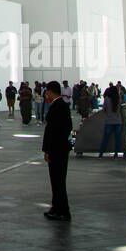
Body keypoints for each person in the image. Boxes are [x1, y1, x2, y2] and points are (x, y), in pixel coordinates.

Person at [42, 80, 72, 220]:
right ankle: (56, 207)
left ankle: (63, 210)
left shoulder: (58, 106)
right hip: (58, 148)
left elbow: (54, 131)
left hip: (57, 150)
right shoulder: (60, 105)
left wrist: (49, 149)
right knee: (56, 181)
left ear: (49, 91)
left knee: (58, 181)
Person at [98, 86, 124, 159]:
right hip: (118, 121)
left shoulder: (107, 99)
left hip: (109, 121)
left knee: (105, 138)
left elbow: (104, 109)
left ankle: (101, 153)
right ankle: (116, 154)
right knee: (117, 139)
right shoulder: (118, 99)